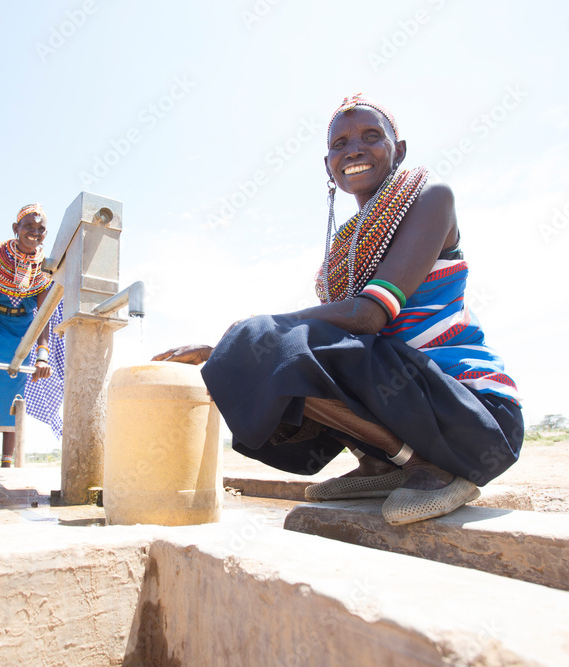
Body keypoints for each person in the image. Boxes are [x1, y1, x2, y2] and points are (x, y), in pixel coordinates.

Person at [154, 93, 523, 525]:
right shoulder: (350, 241)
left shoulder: (432, 200)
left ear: (398, 151)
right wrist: (236, 346)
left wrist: (251, 332)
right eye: (339, 143)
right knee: (271, 349)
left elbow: (368, 316)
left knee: (274, 343)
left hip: (474, 417)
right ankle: (384, 463)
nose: (353, 150)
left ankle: (433, 467)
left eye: (371, 136)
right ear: (327, 162)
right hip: (415, 402)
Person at [0, 204, 66, 468]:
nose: (34, 232)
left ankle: (8, 465)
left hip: (24, 334)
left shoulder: (45, 269)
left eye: (40, 229)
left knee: (15, 398)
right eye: (29, 227)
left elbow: (44, 317)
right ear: (16, 229)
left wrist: (42, 358)